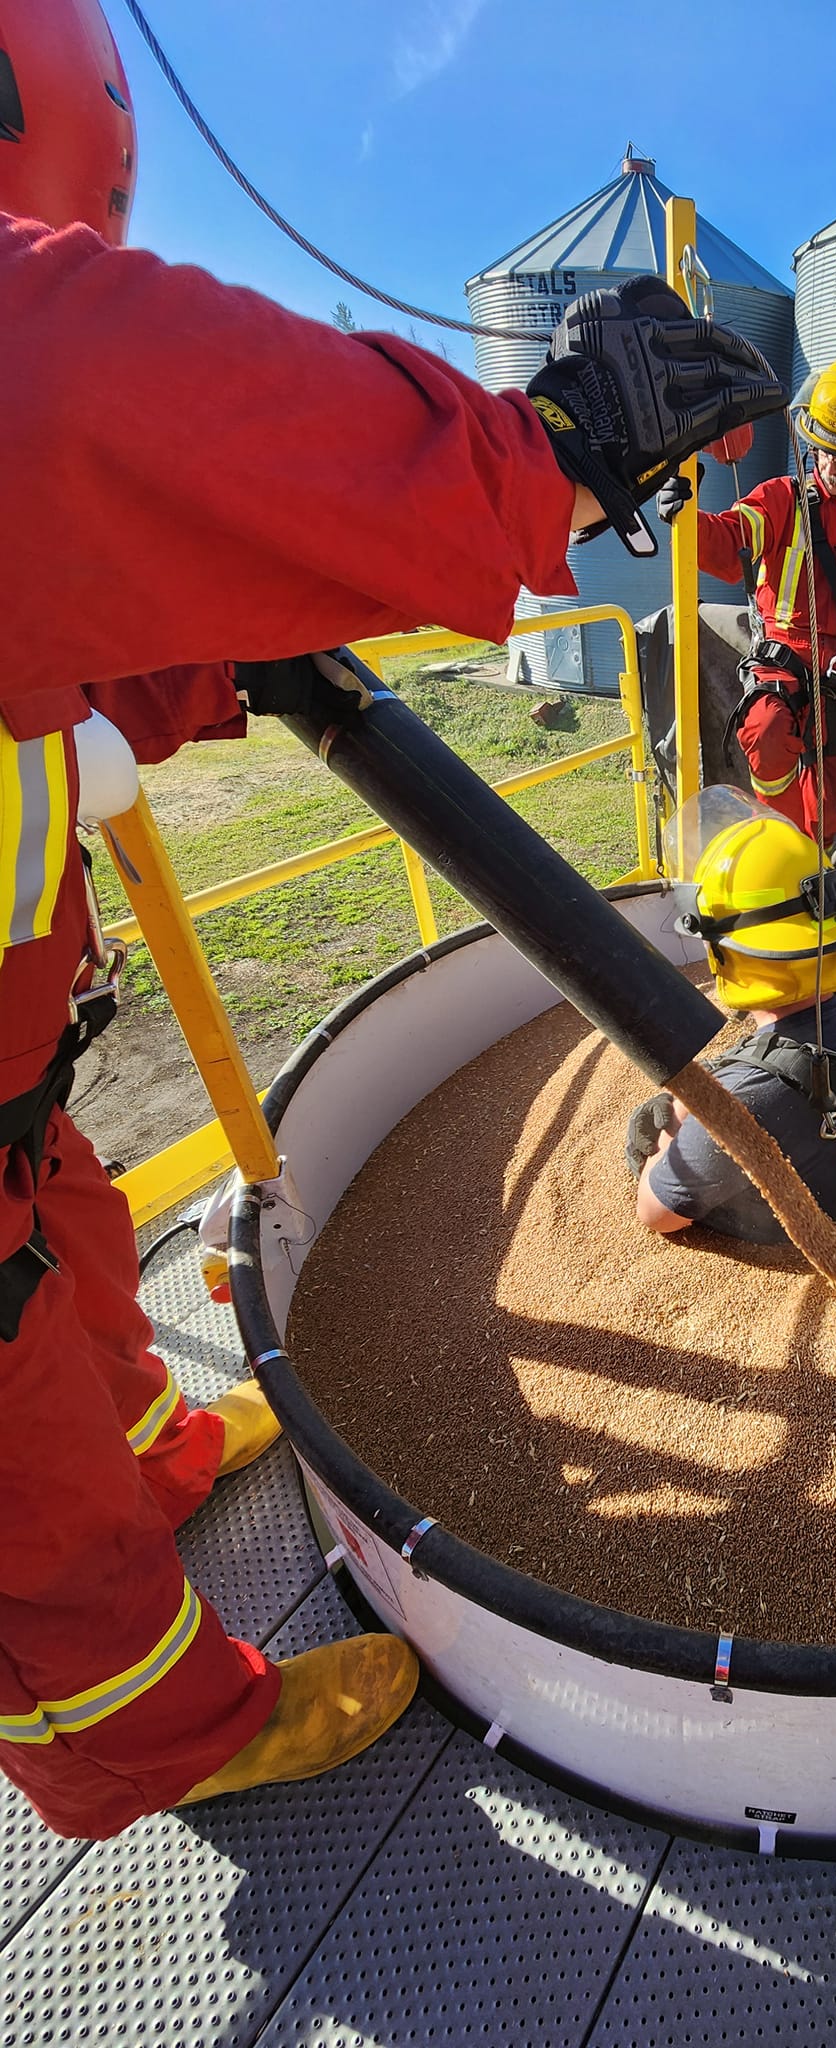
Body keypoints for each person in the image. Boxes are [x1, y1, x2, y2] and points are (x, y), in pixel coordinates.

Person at [0, 0, 784, 1841]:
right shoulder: (30, 345)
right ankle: (154, 1738)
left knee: (73, 1275)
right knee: (19, 1483)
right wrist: (555, 452)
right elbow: (108, 395)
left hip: (18, 1093)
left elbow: (62, 671)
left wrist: (233, 648)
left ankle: (156, 1455)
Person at [658, 353, 836, 844]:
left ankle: (813, 859)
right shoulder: (782, 497)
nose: (828, 463)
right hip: (785, 655)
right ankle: (779, 839)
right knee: (765, 730)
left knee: (827, 796)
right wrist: (685, 514)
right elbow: (728, 542)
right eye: (821, 449)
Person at [628, 796, 836, 1241]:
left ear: (726, 951)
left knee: (644, 1130)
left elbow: (655, 1213)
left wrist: (668, 1139)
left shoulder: (750, 1097)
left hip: (793, 1222)